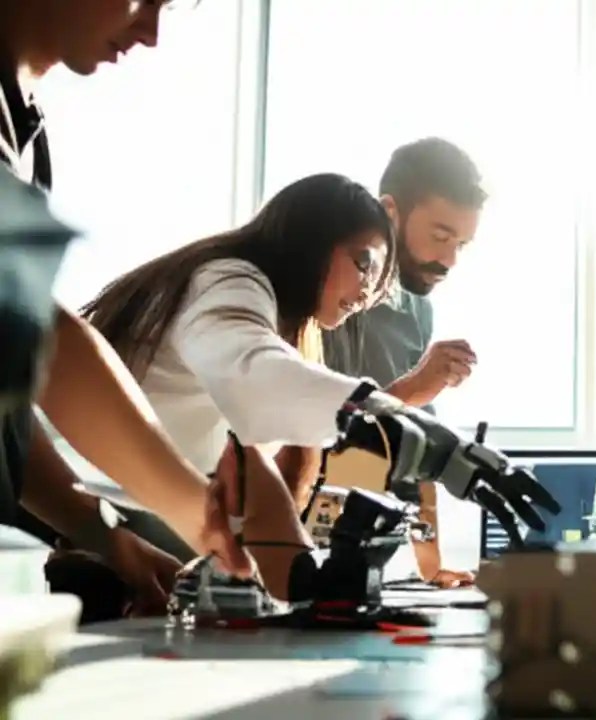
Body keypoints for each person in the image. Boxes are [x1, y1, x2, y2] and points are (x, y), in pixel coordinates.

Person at [1, 0, 253, 616]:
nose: (152, 32)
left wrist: (109, 535)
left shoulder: (24, 130)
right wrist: (197, 512)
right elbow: (50, 343)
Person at [82, 172, 399, 597]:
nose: (366, 292)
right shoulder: (228, 282)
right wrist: (395, 418)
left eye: (376, 286)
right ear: (313, 239)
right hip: (90, 515)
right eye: (364, 265)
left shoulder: (263, 317)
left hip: (126, 510)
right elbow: (254, 374)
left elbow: (258, 462)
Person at [322, 138, 483, 587]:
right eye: (440, 236)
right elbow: (322, 437)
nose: (450, 260)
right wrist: (414, 388)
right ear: (389, 211)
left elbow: (414, 444)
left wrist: (431, 565)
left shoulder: (417, 309)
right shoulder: (330, 299)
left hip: (361, 546)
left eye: (462, 244)